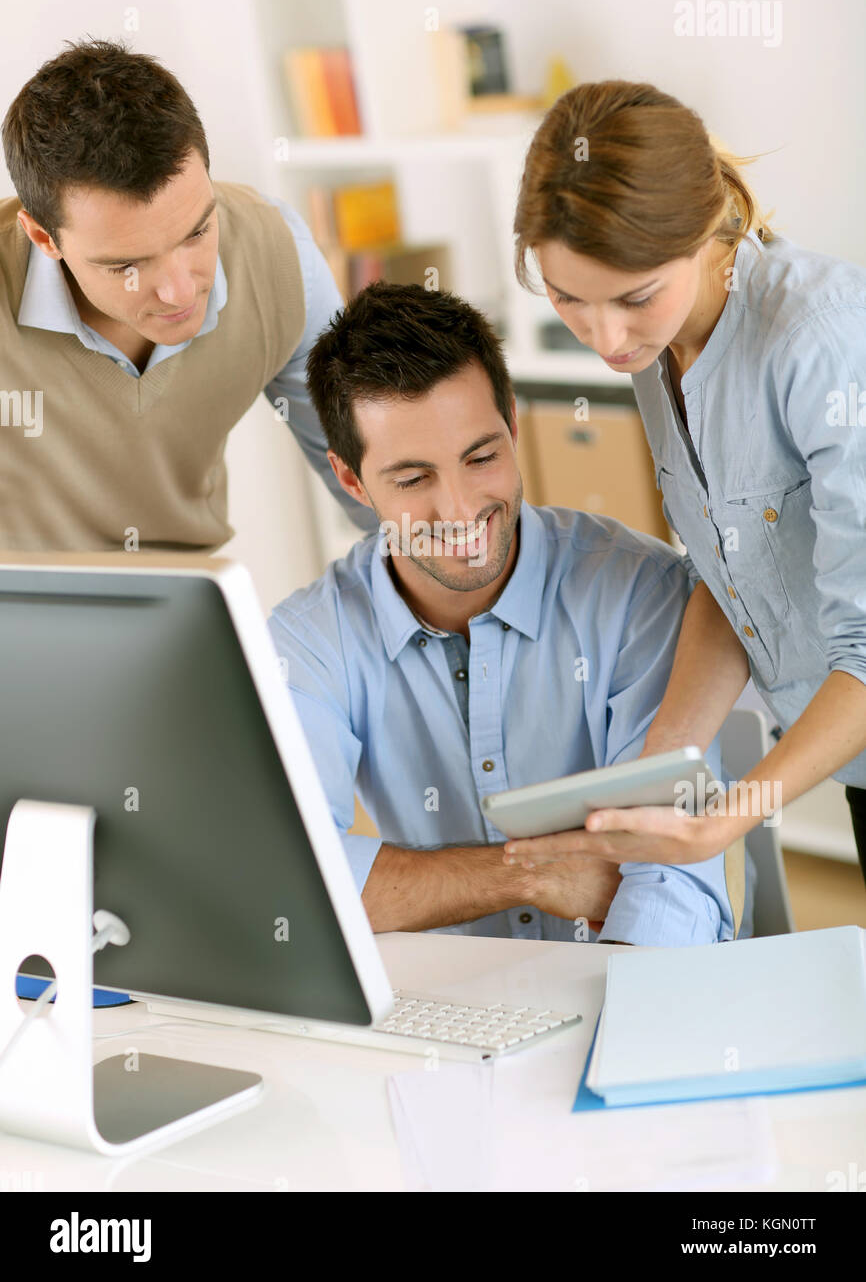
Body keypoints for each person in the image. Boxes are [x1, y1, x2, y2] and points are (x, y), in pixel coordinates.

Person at [267, 280, 754, 945]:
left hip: (625, 988)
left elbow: (676, 888)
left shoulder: (639, 592)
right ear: (351, 480)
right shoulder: (309, 639)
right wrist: (526, 874)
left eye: (482, 457)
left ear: (513, 426)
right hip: (449, 1019)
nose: (462, 509)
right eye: (413, 480)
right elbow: (289, 888)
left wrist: (618, 1034)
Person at [503, 79, 866, 885]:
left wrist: (721, 825)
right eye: (569, 297)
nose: (604, 336)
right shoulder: (657, 350)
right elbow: (729, 576)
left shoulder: (822, 343)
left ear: (708, 235)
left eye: (634, 298)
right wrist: (664, 765)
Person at [0, 37, 373, 551]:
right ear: (43, 237)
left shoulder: (277, 254)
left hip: (193, 596)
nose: (180, 290)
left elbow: (381, 491)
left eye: (196, 232)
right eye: (125, 264)